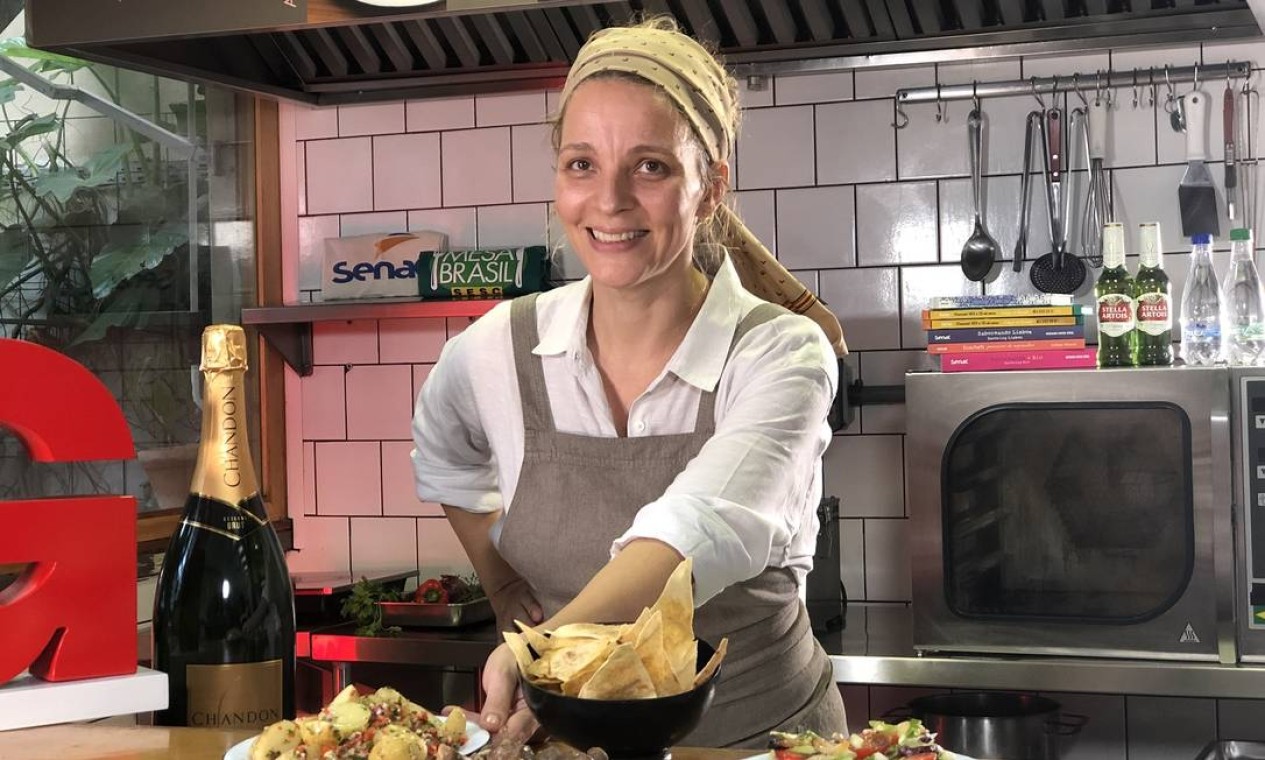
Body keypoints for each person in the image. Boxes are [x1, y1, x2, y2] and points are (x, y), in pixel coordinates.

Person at [411, 16, 848, 749]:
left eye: (650, 166)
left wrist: (541, 648)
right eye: (581, 164)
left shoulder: (781, 353)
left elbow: (695, 530)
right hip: (571, 743)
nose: (609, 200)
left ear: (709, 189)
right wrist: (504, 587)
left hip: (760, 741)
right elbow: (442, 453)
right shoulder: (497, 350)